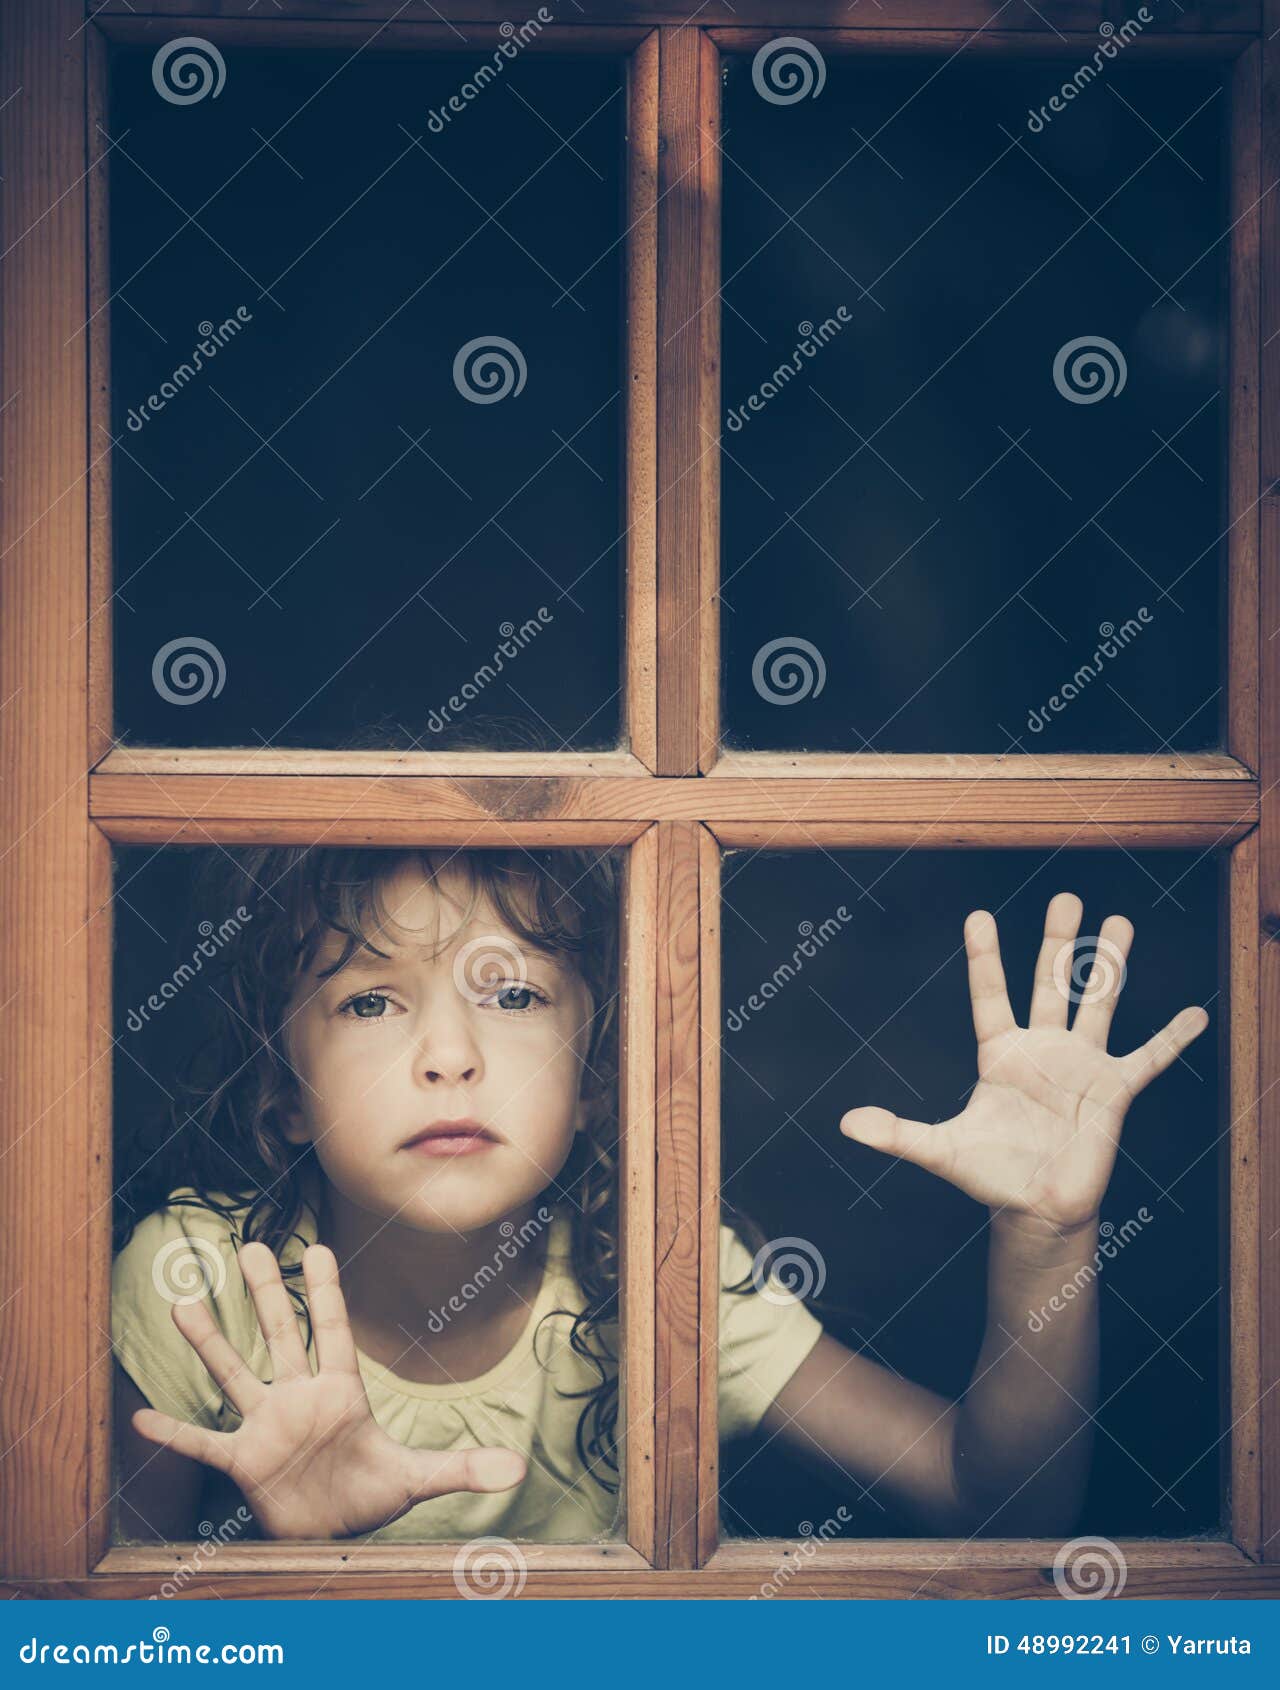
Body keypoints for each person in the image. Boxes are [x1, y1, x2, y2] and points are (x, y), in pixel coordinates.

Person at [111, 841, 1207, 1544]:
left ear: (594, 1085)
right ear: (283, 1088)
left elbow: (999, 1502)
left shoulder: (653, 1272)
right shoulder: (195, 1279)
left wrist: (1045, 1237)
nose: (448, 1053)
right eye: (368, 1004)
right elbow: (92, 1641)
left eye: (514, 993)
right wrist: (300, 1576)